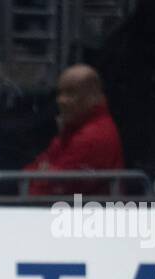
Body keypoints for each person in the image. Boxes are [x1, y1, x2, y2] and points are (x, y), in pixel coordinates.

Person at [22, 64, 124, 195]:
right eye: (60, 93)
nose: (61, 100)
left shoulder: (92, 136)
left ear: (92, 97)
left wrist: (42, 174)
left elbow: (46, 191)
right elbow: (28, 174)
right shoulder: (73, 129)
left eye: (71, 93)